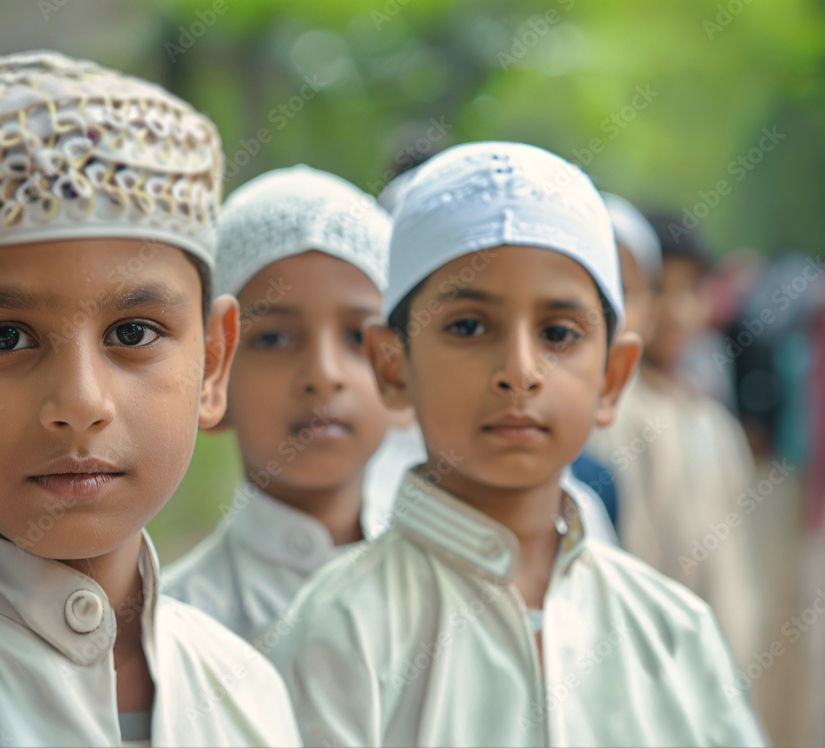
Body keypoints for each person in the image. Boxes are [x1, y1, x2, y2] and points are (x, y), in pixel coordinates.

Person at [0, 51, 299, 747]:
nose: (79, 401)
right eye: (6, 337)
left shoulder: (250, 693)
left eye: (133, 332)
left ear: (214, 364)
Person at [267, 142, 764, 746]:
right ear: (393, 368)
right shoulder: (338, 629)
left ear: (612, 377)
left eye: (558, 332)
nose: (520, 370)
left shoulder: (670, 629)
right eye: (468, 326)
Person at [162, 165, 394, 642]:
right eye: (274, 338)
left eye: (357, 336)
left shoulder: (454, 599)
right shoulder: (174, 631)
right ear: (210, 374)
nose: (324, 374)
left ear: (401, 371)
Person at [587, 205, 761, 665]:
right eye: (663, 290)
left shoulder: (711, 420)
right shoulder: (613, 415)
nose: (680, 311)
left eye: (693, 290)